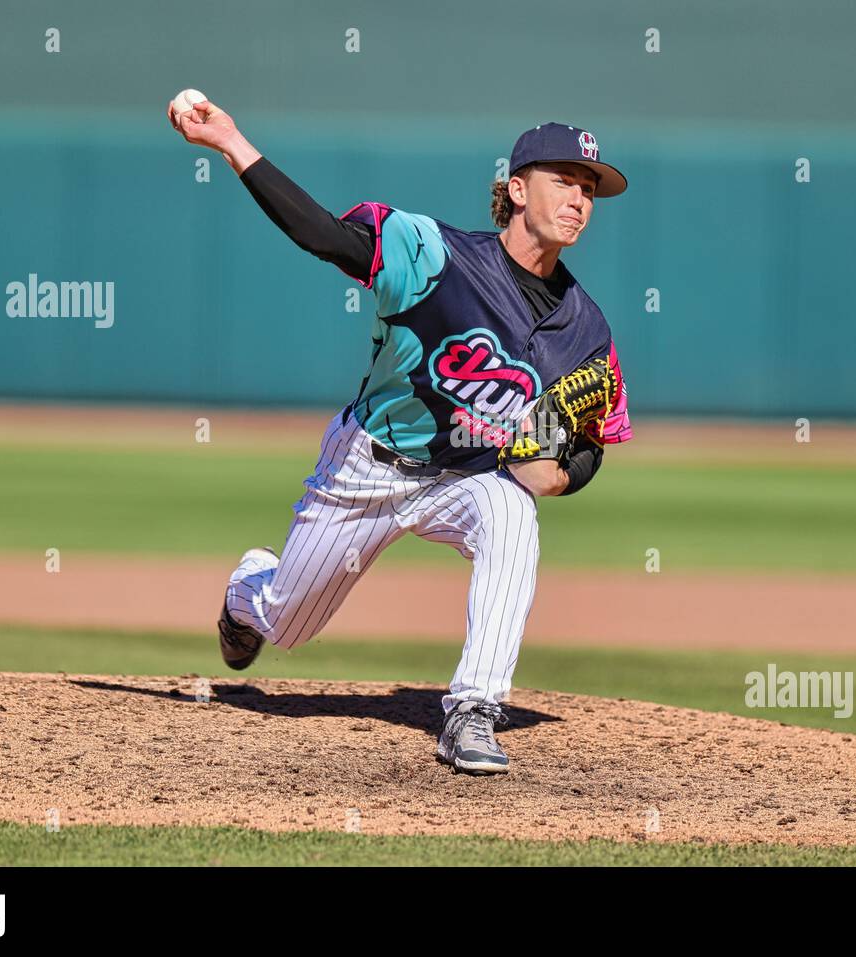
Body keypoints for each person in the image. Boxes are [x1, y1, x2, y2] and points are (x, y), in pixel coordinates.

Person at [167, 100, 633, 774]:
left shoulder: (586, 330)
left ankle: (473, 711)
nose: (580, 199)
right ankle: (246, 592)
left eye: (590, 189)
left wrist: (561, 472)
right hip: (366, 467)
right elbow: (324, 235)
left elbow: (591, 439)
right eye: (564, 180)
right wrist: (234, 142)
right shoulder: (433, 256)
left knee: (513, 513)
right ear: (516, 188)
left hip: (466, 479)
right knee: (287, 623)